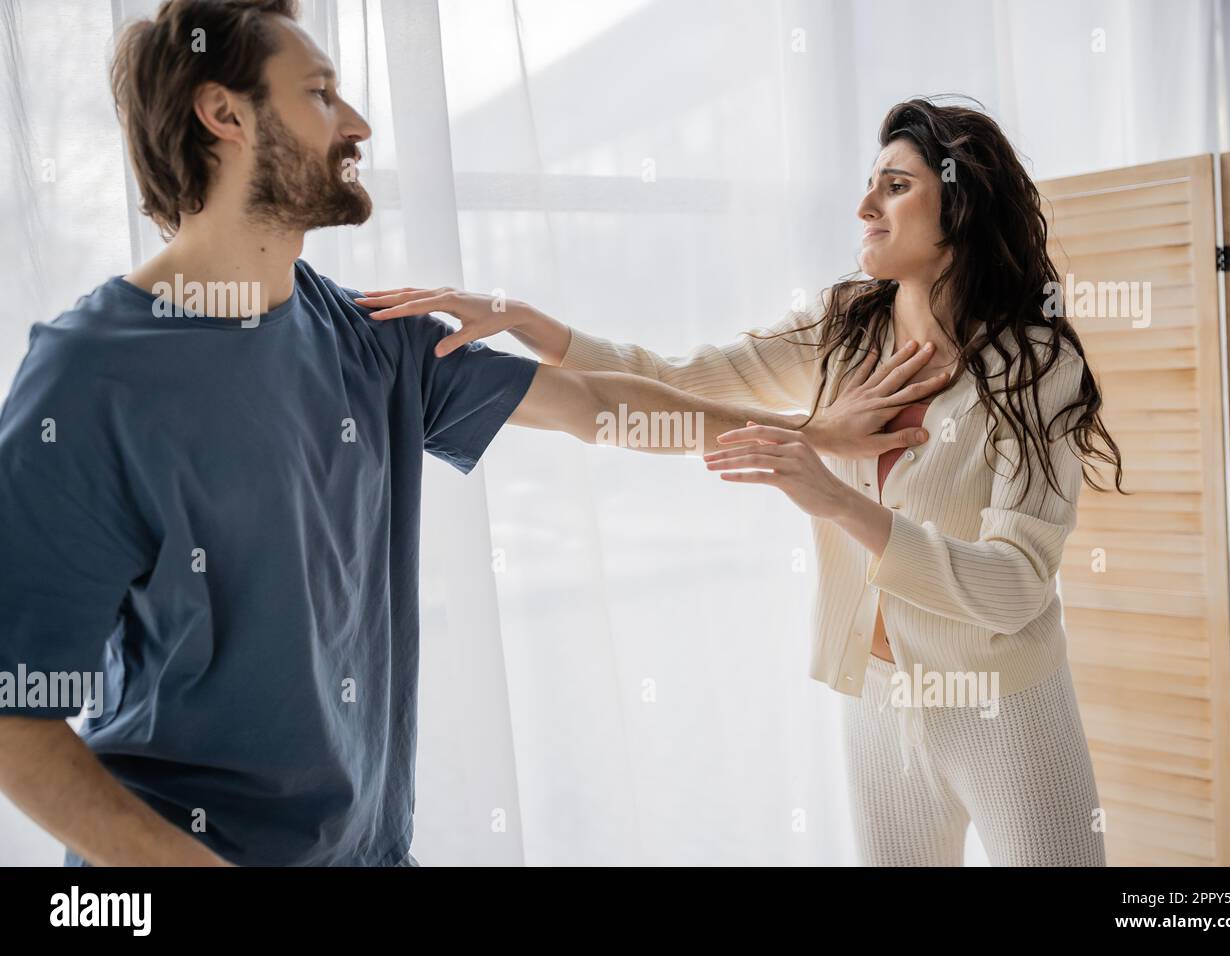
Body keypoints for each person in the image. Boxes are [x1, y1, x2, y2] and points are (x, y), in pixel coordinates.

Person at [0, 0, 936, 867]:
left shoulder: (371, 341)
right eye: (322, 95)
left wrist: (809, 433)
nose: (358, 125)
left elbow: (599, 408)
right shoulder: (91, 378)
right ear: (226, 115)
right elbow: (15, 720)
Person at [359, 97, 1126, 866]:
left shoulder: (1036, 367)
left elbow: (1019, 583)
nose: (864, 206)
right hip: (878, 701)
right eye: (869, 184)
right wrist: (524, 319)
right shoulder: (845, 327)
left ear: (962, 202)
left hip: (1005, 706)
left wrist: (834, 496)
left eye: (895, 185)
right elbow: (674, 379)